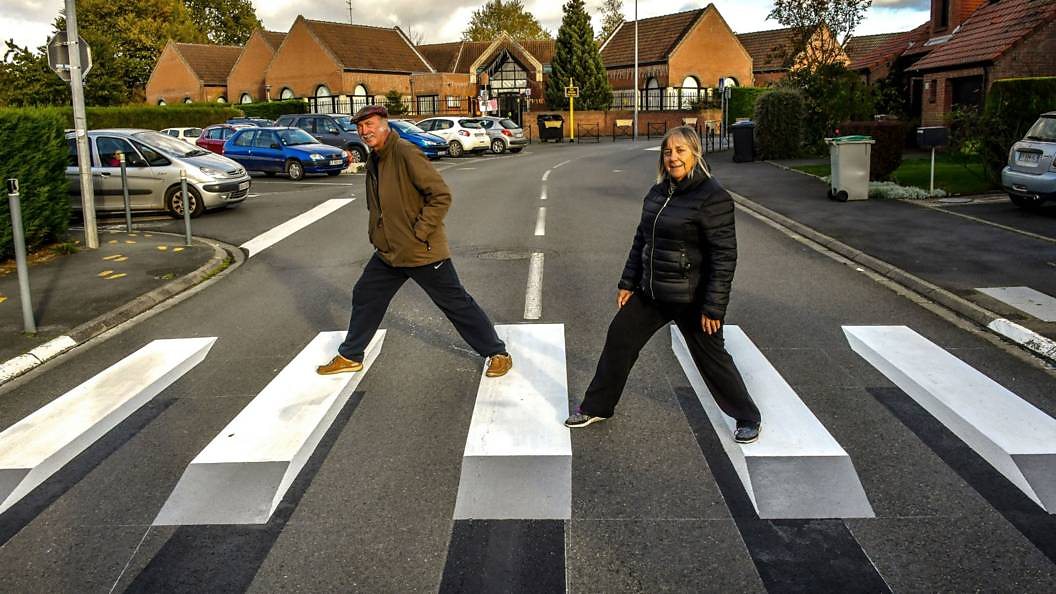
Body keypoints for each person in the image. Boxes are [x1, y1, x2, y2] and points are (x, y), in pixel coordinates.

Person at [564, 126, 762, 444]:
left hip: (692, 297)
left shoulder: (713, 197)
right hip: (653, 291)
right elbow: (642, 239)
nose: (673, 157)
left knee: (712, 359)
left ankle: (747, 417)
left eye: (680, 151)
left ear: (695, 153)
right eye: (668, 151)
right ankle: (597, 406)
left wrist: (713, 306)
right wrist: (628, 281)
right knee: (620, 338)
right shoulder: (659, 192)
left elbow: (724, 257)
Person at [317, 105, 513, 378]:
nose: (364, 131)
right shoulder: (376, 157)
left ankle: (497, 353)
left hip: (421, 251)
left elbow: (440, 195)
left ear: (385, 124)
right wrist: (378, 234)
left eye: (370, 124)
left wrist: (419, 233)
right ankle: (351, 355)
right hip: (388, 251)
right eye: (360, 127)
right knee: (366, 294)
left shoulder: (405, 152)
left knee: (456, 304)